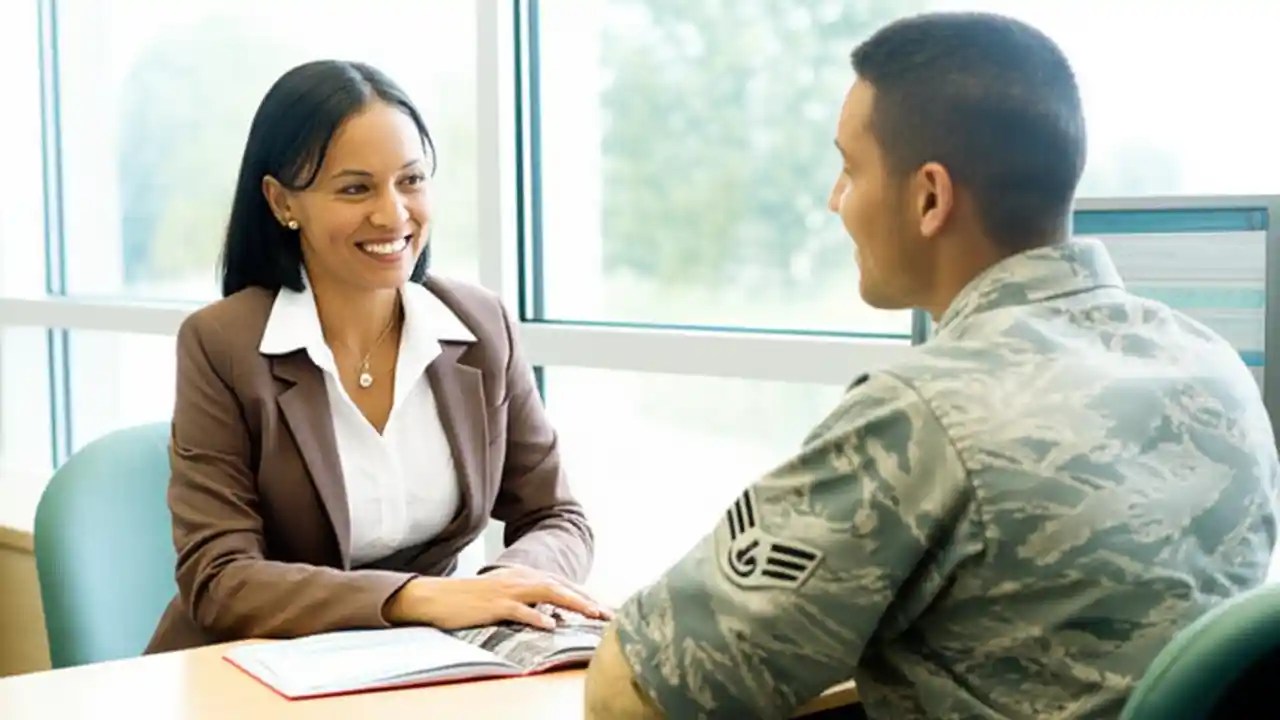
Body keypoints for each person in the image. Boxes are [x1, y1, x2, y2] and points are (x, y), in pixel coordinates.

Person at [584, 11, 1279, 719]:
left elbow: (634, 695)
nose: (835, 201)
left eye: (850, 169)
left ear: (929, 197)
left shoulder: (924, 415)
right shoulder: (1217, 370)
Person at [146, 60, 605, 653]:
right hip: (248, 668)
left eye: (411, 180)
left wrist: (502, 589)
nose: (393, 214)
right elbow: (219, 579)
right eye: (355, 188)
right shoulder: (221, 344)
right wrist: (415, 599)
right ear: (282, 202)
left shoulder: (480, 326)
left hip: (414, 665)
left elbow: (557, 517)